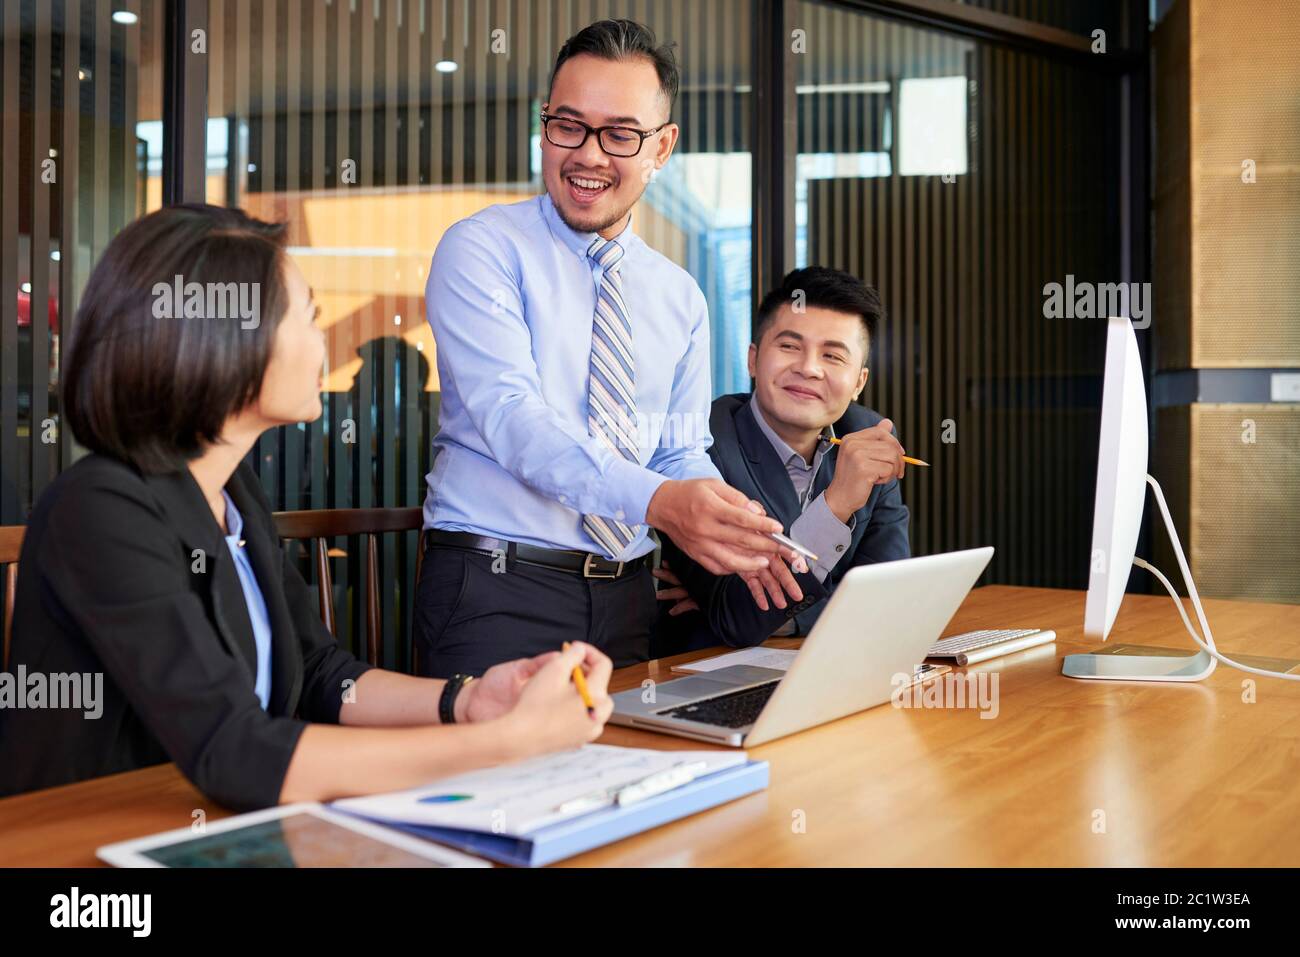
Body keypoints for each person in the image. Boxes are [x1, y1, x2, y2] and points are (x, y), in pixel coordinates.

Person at [0, 204, 614, 812]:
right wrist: (499, 743)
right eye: (310, 317)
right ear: (225, 339)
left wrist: (469, 701)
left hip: (214, 831)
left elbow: (322, 674)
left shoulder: (231, 491)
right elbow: (234, 749)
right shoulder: (101, 509)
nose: (324, 344)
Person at [415, 19, 786, 679]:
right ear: (544, 123)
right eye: (568, 124)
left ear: (663, 147)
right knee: (498, 784)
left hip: (626, 595)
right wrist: (662, 504)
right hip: (496, 590)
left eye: (619, 133)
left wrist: (732, 521)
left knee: (626, 779)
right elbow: (514, 419)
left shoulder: (680, 295)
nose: (587, 154)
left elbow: (676, 448)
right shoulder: (482, 250)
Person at [654, 267, 911, 652]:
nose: (808, 368)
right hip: (712, 676)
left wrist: (788, 619)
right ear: (753, 360)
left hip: (830, 668)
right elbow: (738, 619)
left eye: (832, 355)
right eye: (790, 346)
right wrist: (837, 504)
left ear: (859, 382)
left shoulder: (870, 439)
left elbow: (889, 599)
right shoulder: (698, 445)